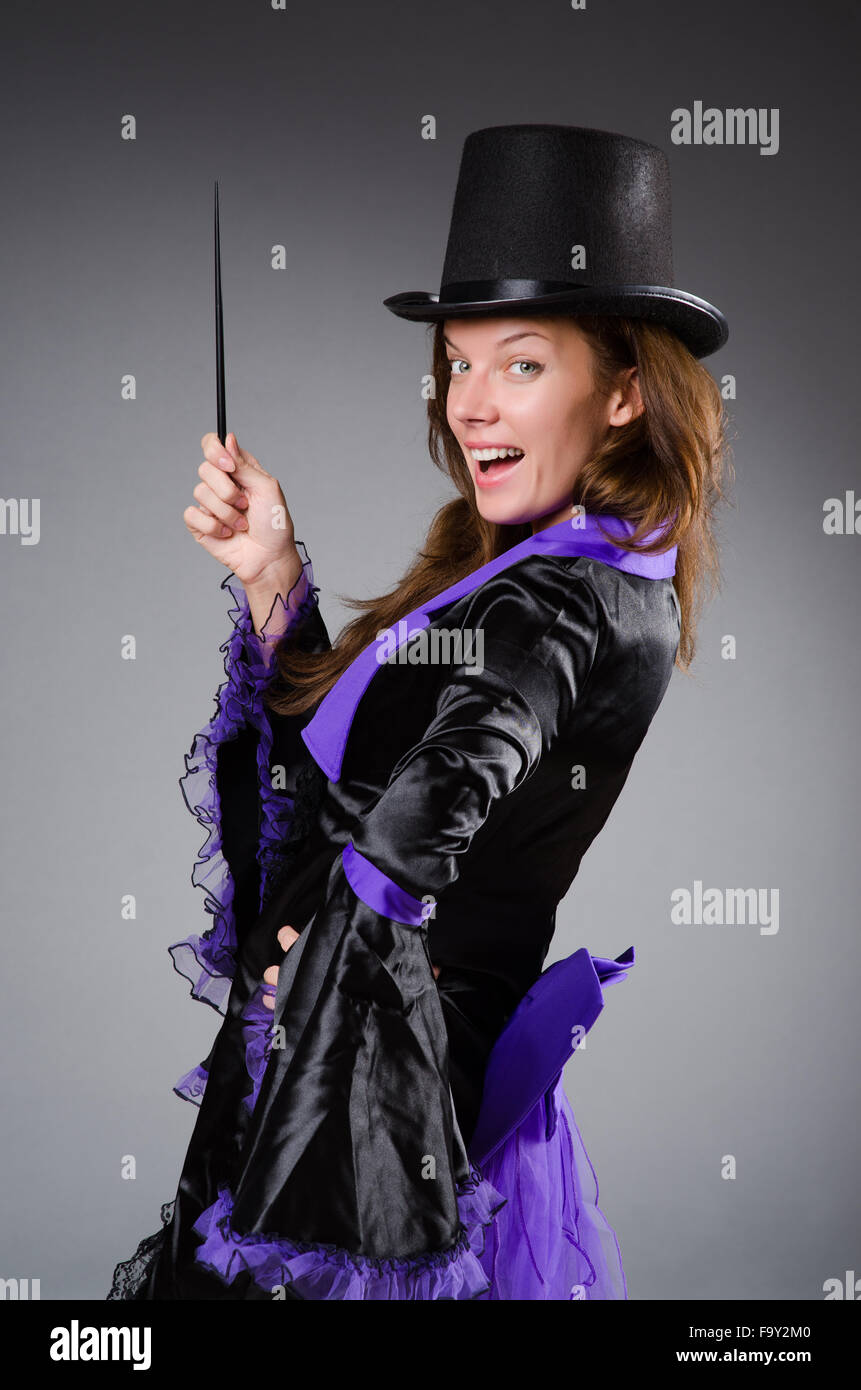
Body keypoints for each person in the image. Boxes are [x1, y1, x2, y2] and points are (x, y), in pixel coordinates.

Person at [108, 125, 731, 1301]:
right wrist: (275, 579)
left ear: (625, 392)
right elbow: (359, 782)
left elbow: (425, 812)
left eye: (523, 363)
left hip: (385, 1110)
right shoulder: (530, 566)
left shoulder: (566, 598)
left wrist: (348, 964)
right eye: (456, 362)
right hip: (376, 1075)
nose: (471, 404)